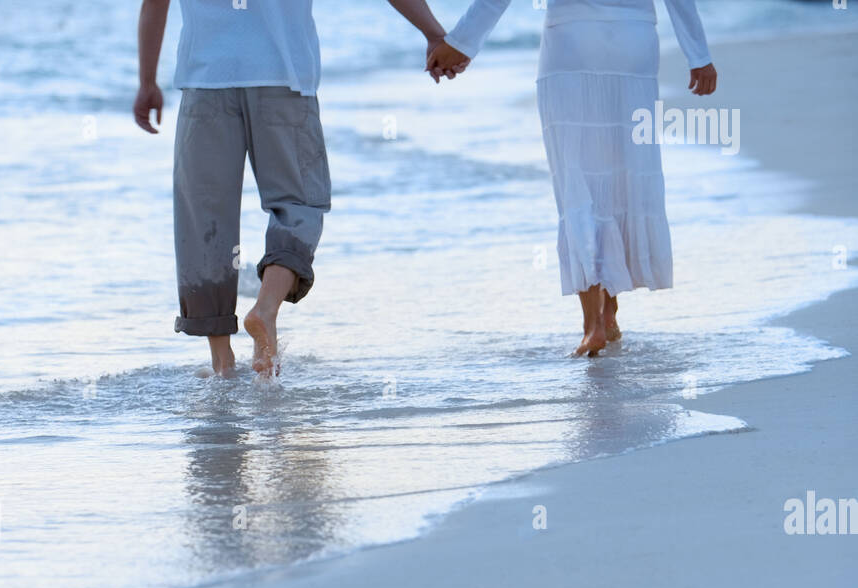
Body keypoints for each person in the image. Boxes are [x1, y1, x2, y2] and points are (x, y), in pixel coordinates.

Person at [134, 0, 451, 376]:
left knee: (205, 222)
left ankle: (222, 361)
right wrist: (435, 34)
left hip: (205, 81)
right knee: (298, 204)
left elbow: (155, 3)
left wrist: (147, 81)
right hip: (283, 78)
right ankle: (265, 308)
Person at [427, 0, 717, 355]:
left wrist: (461, 43)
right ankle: (609, 310)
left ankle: (591, 324)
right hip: (633, 43)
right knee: (623, 170)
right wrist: (698, 55)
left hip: (570, 45)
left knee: (577, 177)